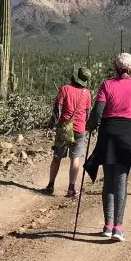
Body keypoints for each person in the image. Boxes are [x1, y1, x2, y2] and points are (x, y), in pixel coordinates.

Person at [83, 52, 131, 242]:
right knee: (121, 181)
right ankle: (118, 228)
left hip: (108, 135)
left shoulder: (107, 85)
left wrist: (90, 126)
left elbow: (97, 114)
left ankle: (107, 225)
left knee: (108, 180)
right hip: (128, 135)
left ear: (115, 67)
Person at [44, 65, 93, 197]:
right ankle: (71, 188)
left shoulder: (65, 89)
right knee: (75, 158)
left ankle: (50, 185)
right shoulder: (87, 93)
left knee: (57, 157)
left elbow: (57, 111)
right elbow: (88, 114)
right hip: (79, 129)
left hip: (64, 128)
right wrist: (85, 125)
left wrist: (50, 125)